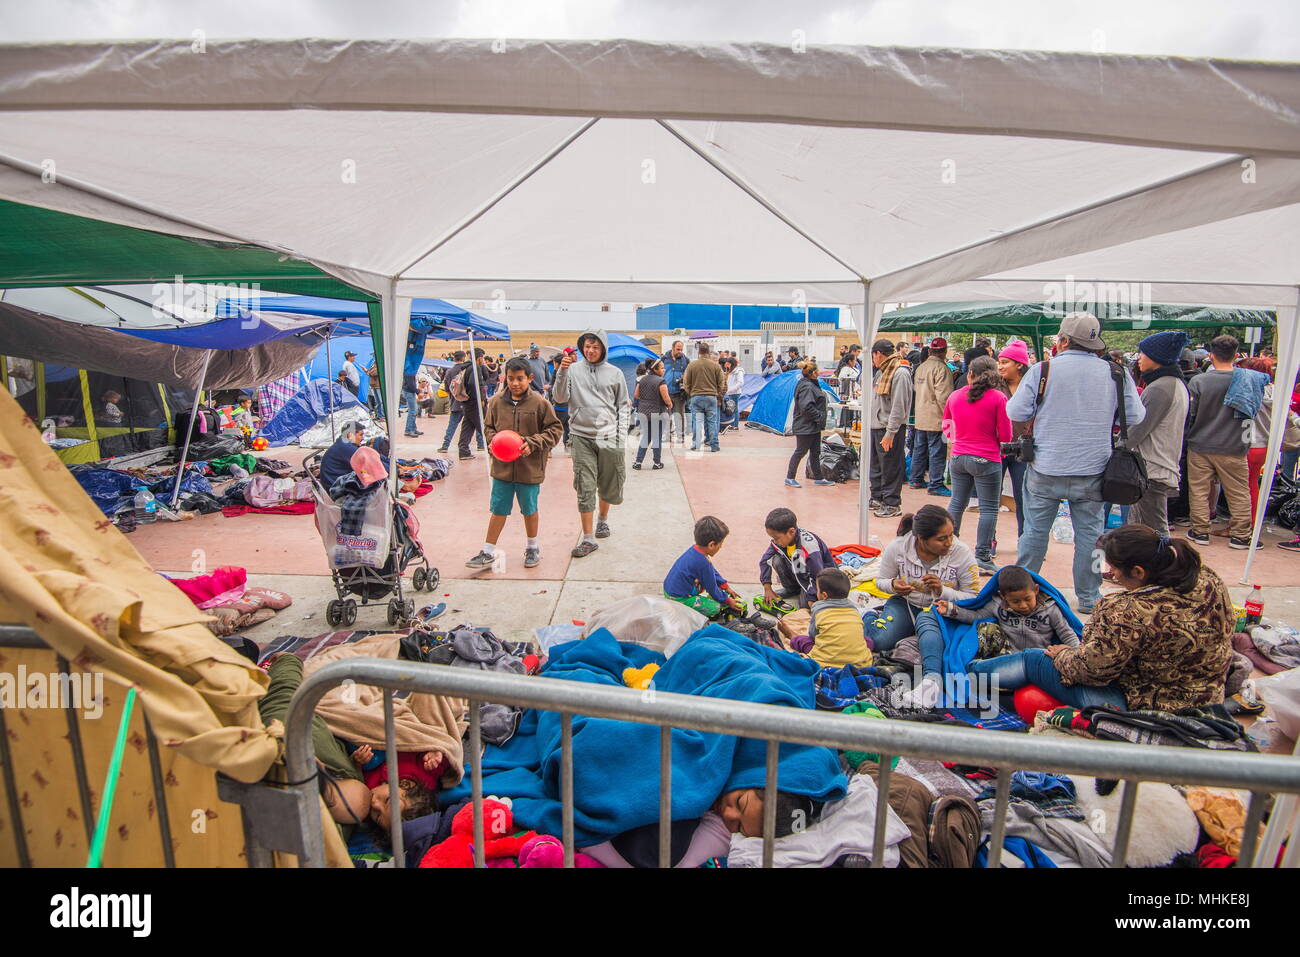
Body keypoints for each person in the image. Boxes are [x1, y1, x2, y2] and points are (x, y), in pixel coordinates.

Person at [979, 525, 1234, 712]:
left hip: (1142, 707)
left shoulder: (1126, 609)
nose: (1111, 574)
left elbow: (1090, 671)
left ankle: (965, 676)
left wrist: (1062, 654)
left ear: (1138, 571)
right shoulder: (1207, 579)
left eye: (1114, 568)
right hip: (1208, 696)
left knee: (1034, 658)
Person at [1006, 312, 1144, 614]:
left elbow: (1015, 410)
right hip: (1094, 471)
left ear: (1064, 340)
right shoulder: (1116, 373)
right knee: (1092, 539)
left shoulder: (1043, 370)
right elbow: (1134, 417)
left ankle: (1023, 590)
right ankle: (1089, 596)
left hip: (1046, 466)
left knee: (1034, 534)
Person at [906, 564, 1080, 708]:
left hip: (1038, 661)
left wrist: (1075, 654)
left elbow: (1068, 634)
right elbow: (976, 616)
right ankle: (984, 678)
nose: (1023, 605)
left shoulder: (1051, 610)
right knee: (986, 629)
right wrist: (952, 610)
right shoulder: (998, 605)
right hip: (1007, 658)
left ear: (1036, 590)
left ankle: (997, 685)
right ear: (1003, 597)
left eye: (1027, 599)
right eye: (1016, 601)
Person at [464, 358, 564, 572]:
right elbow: (488, 427)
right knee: (498, 508)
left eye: (520, 379)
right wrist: (493, 441)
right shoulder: (497, 402)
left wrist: (533, 443)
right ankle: (488, 551)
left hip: (530, 468)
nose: (515, 383)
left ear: (530, 378)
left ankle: (532, 547)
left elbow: (555, 430)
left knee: (529, 509)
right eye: (511, 379)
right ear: (505, 378)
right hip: (502, 469)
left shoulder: (540, 403)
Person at [552, 330, 629, 557]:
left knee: (609, 481)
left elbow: (623, 405)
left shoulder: (615, 373)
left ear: (603, 348)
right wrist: (562, 371)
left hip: (609, 436)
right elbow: (560, 398)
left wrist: (620, 435)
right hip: (580, 436)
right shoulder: (572, 370)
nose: (590, 351)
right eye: (587, 346)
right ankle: (587, 539)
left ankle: (602, 520)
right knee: (585, 485)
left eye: (595, 347)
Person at [869, 505, 980, 653]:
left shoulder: (962, 553)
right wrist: (893, 585)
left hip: (943, 610)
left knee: (947, 648)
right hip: (907, 605)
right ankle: (869, 617)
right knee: (880, 642)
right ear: (921, 539)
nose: (949, 542)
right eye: (941, 539)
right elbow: (880, 581)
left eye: (951, 535)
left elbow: (973, 596)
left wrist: (942, 591)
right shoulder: (898, 547)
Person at [943, 355, 1011, 576]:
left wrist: (957, 441)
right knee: (989, 508)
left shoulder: (954, 396)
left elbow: (946, 426)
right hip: (987, 458)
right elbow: (1006, 435)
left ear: (970, 374)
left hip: (959, 457)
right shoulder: (999, 398)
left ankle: (948, 549)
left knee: (956, 503)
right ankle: (981, 556)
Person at [1184, 335, 1255, 549]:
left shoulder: (1199, 381)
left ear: (1211, 356)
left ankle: (1200, 531)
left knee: (1199, 490)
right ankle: (1241, 535)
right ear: (1235, 356)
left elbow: (1191, 414)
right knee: (1238, 491)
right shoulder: (1246, 380)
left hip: (1201, 443)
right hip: (1234, 445)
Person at [1123, 331, 1191, 538]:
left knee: (1153, 529)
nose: (1139, 358)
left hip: (1151, 469)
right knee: (1141, 529)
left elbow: (1137, 429)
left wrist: (1118, 446)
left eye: (1142, 353)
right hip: (1157, 466)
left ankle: (1165, 567)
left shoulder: (1161, 388)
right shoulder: (1173, 384)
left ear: (1156, 357)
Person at [663, 515, 744, 619]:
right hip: (678, 599)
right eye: (721, 544)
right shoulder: (702, 563)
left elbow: (712, 571)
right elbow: (712, 588)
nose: (721, 546)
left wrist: (725, 586)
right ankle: (686, 610)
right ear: (711, 545)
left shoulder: (695, 550)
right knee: (715, 607)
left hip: (669, 591)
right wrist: (727, 600)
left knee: (713, 591)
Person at [789, 567, 872, 668]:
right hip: (859, 662)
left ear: (824, 595)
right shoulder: (854, 610)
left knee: (798, 640)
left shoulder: (818, 608)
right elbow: (860, 633)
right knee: (868, 641)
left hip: (825, 661)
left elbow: (813, 635)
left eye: (817, 590)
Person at [757, 507, 835, 613]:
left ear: (791, 532)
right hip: (801, 572)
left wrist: (811, 598)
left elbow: (817, 576)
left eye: (777, 538)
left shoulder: (809, 547)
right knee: (776, 560)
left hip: (817, 581)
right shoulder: (781, 541)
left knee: (804, 608)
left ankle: (804, 592)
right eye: (773, 538)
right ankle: (792, 589)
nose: (775, 541)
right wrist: (767, 588)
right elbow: (764, 561)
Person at [868, 339, 913, 517]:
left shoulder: (900, 373)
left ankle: (892, 503)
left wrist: (891, 432)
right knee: (877, 466)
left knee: (890, 466)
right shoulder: (882, 372)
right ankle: (878, 497)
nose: (873, 360)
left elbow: (899, 406)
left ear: (878, 354)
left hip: (890, 428)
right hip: (877, 426)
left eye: (873, 356)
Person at [996, 340, 1032, 537]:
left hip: (1023, 449)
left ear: (1019, 364)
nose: (1000, 366)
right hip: (997, 447)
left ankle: (1024, 539)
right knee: (993, 497)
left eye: (1005, 362)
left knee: (1023, 497)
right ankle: (988, 541)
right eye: (999, 362)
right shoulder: (994, 385)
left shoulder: (1032, 385)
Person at [911, 336, 955, 496]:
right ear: (944, 352)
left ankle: (916, 479)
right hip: (936, 417)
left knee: (919, 449)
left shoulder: (921, 367)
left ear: (930, 351)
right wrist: (950, 419)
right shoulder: (942, 369)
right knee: (937, 452)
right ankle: (936, 484)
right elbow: (943, 397)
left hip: (921, 415)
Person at [785, 361, 835, 488]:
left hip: (813, 426)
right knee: (800, 451)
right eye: (817, 371)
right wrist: (819, 417)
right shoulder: (807, 387)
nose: (819, 373)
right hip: (806, 426)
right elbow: (806, 406)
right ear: (813, 373)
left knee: (815, 452)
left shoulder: (809, 384)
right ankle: (790, 477)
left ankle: (819, 477)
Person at [437, 351, 484, 453]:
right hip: (468, 402)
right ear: (463, 358)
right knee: (477, 423)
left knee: (452, 425)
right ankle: (481, 444)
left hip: (455, 403)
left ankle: (445, 446)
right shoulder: (468, 369)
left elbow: (447, 388)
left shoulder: (449, 371)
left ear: (454, 359)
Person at [683, 341, 725, 453]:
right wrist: (716, 392)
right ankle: (714, 446)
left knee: (697, 421)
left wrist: (691, 392)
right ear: (708, 352)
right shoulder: (715, 366)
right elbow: (722, 383)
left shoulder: (692, 365)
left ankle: (696, 445)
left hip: (696, 396)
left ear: (699, 352)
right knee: (712, 422)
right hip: (711, 397)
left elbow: (686, 382)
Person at [447, 348, 489, 460]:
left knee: (468, 426)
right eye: (482, 358)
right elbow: (473, 384)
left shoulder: (467, 367)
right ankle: (492, 448)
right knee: (484, 426)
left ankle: (464, 451)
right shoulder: (475, 368)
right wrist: (481, 398)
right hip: (475, 402)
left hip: (466, 402)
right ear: (479, 358)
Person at [633, 355, 671, 470]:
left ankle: (638, 462)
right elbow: (666, 398)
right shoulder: (661, 381)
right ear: (655, 369)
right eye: (661, 368)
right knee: (657, 438)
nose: (663, 370)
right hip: (657, 412)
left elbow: (636, 395)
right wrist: (670, 405)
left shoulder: (642, 379)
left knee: (646, 437)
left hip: (644, 412)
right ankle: (657, 462)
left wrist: (646, 399)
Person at [319, 420, 369, 488]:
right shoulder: (347, 448)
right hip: (335, 487)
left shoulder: (342, 443)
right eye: (360, 435)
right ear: (350, 435)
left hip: (333, 482)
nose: (362, 438)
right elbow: (368, 466)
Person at [661, 340, 690, 444]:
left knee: (679, 415)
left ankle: (680, 437)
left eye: (681, 349)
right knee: (666, 415)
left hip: (679, 393)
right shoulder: (664, 359)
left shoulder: (685, 360)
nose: (680, 351)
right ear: (673, 348)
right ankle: (667, 436)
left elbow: (689, 374)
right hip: (666, 392)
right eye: (678, 349)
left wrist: (684, 379)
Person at [834, 350, 861, 429]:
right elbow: (848, 380)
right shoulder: (845, 370)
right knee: (847, 411)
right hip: (847, 394)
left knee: (851, 412)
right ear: (850, 361)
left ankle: (848, 425)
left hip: (854, 394)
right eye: (854, 360)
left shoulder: (852, 369)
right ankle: (845, 425)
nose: (855, 362)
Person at [722, 356, 745, 432]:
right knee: (733, 409)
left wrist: (731, 390)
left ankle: (735, 425)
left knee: (734, 409)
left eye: (728, 363)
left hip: (735, 393)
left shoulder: (738, 371)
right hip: (730, 393)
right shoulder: (731, 371)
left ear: (731, 363)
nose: (726, 365)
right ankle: (733, 425)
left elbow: (740, 383)